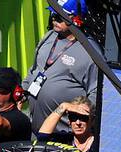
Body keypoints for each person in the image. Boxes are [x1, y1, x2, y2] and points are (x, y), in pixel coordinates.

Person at [24, 0, 101, 133]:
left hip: (64, 134)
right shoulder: (49, 36)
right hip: (36, 129)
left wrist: (78, 113)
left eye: (59, 17)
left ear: (77, 19)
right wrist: (24, 89)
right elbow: (35, 68)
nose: (54, 20)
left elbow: (97, 92)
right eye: (53, 15)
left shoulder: (90, 51)